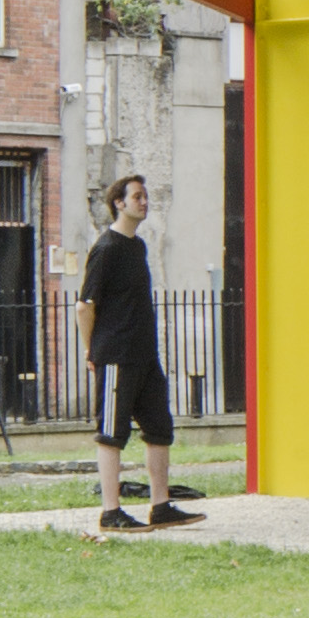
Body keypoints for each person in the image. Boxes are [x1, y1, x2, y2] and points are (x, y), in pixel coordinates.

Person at [81, 170, 196, 532]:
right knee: (112, 432)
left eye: (146, 197)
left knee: (159, 427)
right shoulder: (106, 248)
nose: (144, 202)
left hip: (145, 354)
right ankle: (110, 511)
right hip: (116, 354)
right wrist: (92, 352)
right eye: (137, 197)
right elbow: (85, 306)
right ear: (119, 203)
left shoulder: (137, 246)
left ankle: (160, 505)